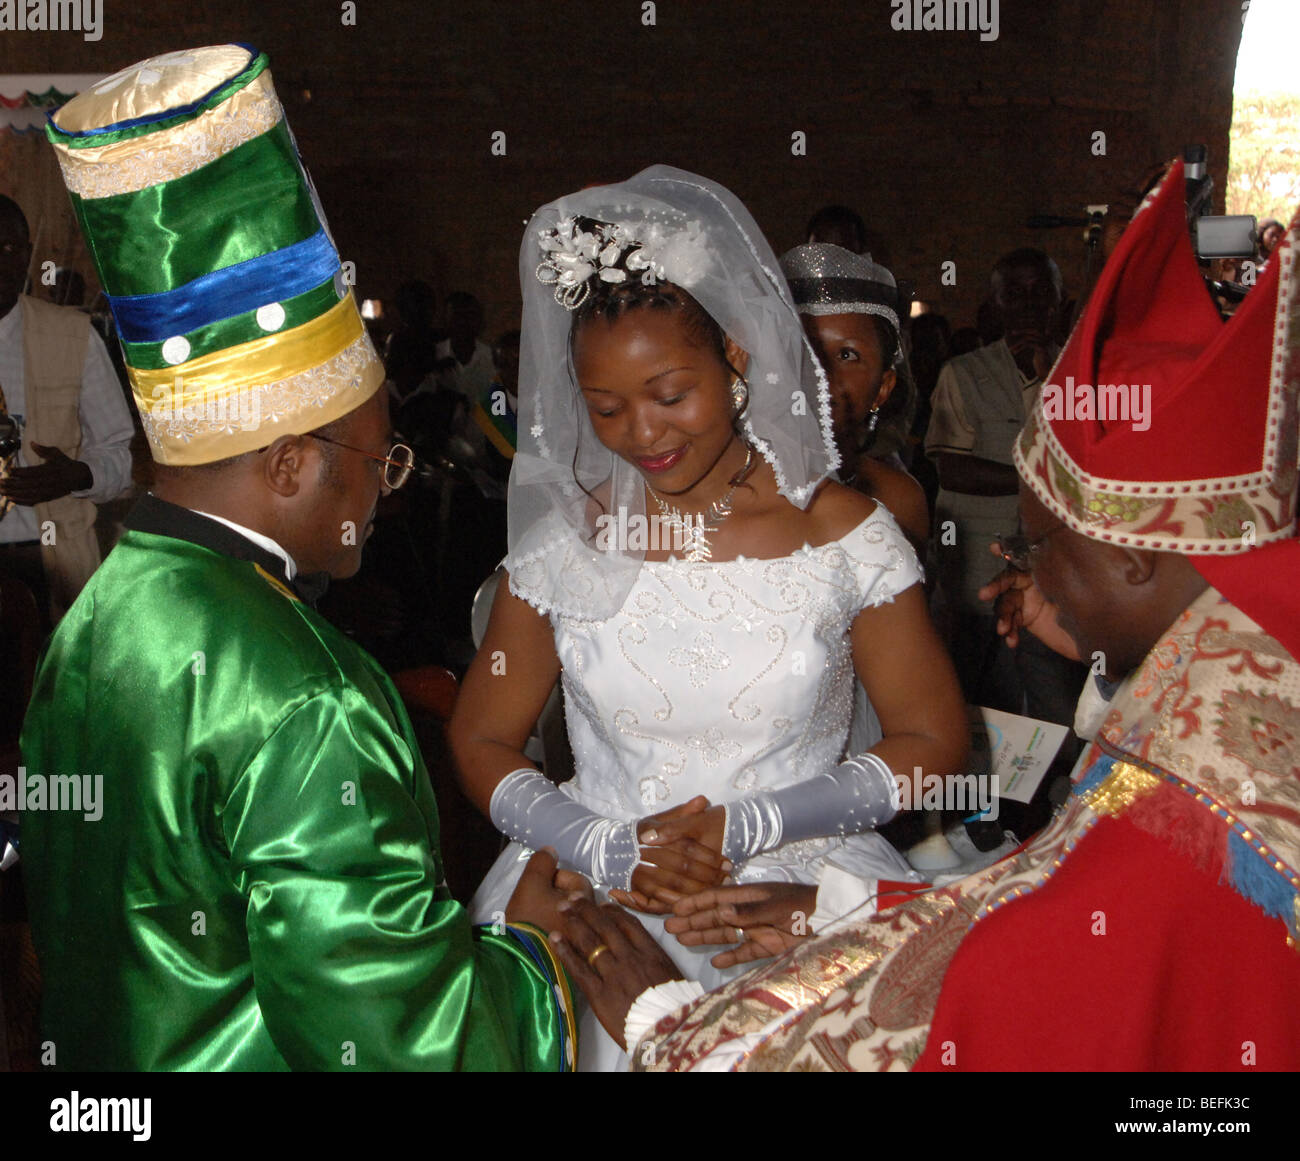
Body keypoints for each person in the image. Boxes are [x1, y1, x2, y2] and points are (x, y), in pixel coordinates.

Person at [552, 158, 1300, 1071]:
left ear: (1136, 555)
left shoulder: (1205, 786)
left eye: (1041, 546)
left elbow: (1016, 990)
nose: (1030, 574)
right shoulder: (1240, 666)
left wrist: (671, 1026)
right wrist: (846, 912)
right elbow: (1042, 902)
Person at [18, 44, 582, 1072]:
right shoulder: (307, 694)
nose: (386, 486)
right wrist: (539, 959)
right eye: (380, 456)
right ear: (290, 464)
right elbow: (395, 1038)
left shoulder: (101, 607)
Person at [450, 166, 968, 1070]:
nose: (642, 435)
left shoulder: (839, 531)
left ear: (735, 358)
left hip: (792, 888)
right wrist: (599, 842)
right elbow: (481, 738)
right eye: (605, 408)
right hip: (596, 893)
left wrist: (750, 827)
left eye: (668, 395)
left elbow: (931, 738)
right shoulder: (569, 542)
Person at [0, 195, 133, 628]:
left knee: (54, 692)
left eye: (10, 248)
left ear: (27, 256)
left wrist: (78, 475)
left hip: (51, 564)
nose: (1, 260)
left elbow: (119, 456)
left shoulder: (73, 337)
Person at [779, 243, 928, 553]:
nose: (820, 372)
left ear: (883, 388)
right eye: (805, 351)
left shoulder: (898, 499)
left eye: (847, 355)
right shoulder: (726, 486)